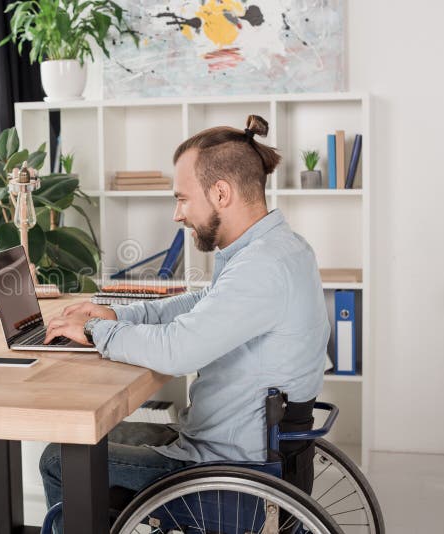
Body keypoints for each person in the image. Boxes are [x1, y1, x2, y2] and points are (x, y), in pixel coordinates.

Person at [39, 115, 329, 527]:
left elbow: (177, 351)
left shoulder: (262, 267)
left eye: (182, 198)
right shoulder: (279, 249)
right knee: (85, 442)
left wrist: (92, 331)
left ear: (221, 193)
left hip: (225, 474)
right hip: (250, 454)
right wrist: (116, 314)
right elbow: (201, 304)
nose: (177, 214)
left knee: (59, 458)